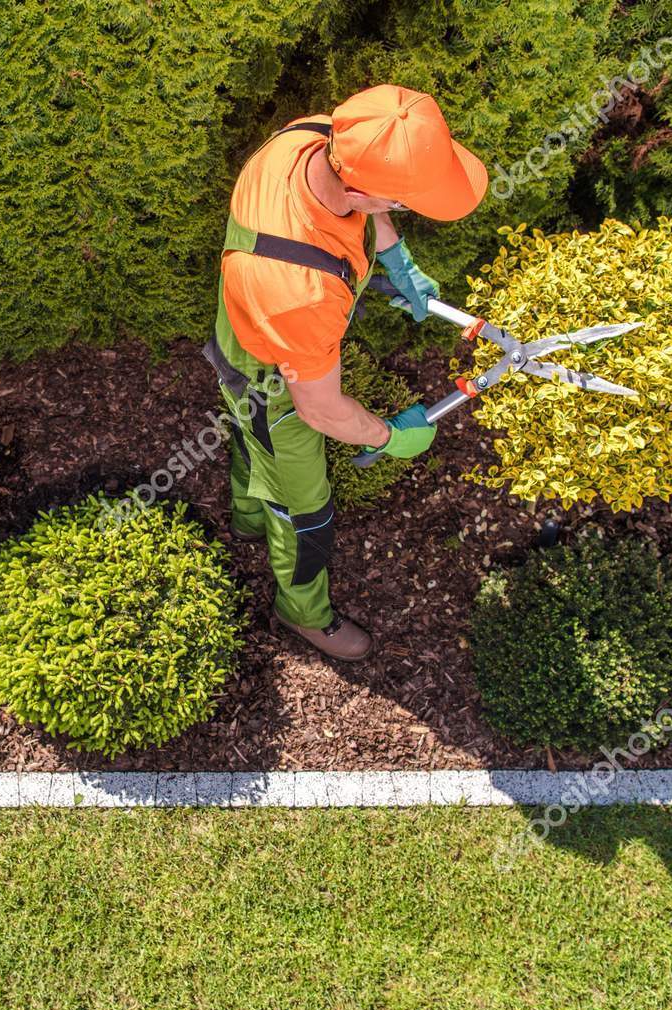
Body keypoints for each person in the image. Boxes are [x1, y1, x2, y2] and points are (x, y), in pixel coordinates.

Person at [203, 84, 487, 661]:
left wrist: (397, 260)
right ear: (359, 189)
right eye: (402, 203)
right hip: (271, 383)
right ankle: (303, 612)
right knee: (304, 510)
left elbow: (365, 203)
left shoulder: (311, 137)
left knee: (247, 440)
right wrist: (393, 434)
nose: (400, 214)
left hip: (243, 329)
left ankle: (246, 516)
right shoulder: (300, 294)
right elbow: (322, 410)